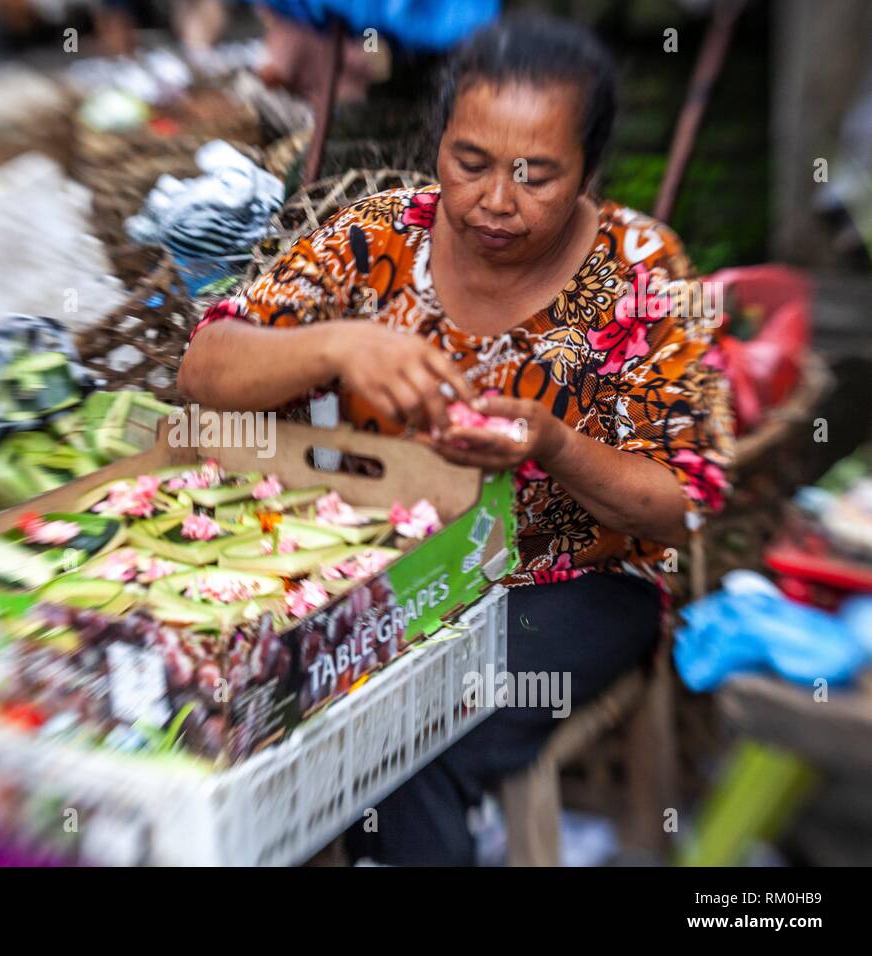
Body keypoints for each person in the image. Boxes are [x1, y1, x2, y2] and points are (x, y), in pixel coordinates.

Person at [177, 13, 734, 865]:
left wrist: (553, 445)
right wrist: (333, 343)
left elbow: (682, 508)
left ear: (589, 169)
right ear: (438, 140)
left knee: (408, 745)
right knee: (239, 702)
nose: (495, 200)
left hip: (563, 586)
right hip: (382, 567)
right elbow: (204, 369)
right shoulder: (377, 238)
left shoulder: (642, 268)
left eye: (537, 175)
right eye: (469, 163)